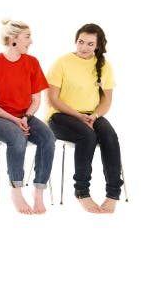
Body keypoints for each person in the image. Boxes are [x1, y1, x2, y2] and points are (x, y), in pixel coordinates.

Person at [0, 19, 55, 215]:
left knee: (48, 138)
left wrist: (26, 117)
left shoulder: (32, 62)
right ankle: (16, 191)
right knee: (17, 138)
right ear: (13, 39)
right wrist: (14, 120)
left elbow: (36, 100)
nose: (31, 41)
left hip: (23, 116)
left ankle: (38, 192)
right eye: (27, 37)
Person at [47, 23, 122, 213]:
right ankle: (82, 192)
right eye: (81, 42)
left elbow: (106, 101)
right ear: (76, 41)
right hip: (60, 116)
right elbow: (52, 99)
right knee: (87, 136)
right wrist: (78, 116)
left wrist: (94, 116)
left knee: (109, 135)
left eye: (90, 44)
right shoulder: (62, 62)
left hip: (91, 115)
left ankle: (113, 193)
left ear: (97, 46)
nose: (83, 48)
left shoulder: (104, 65)